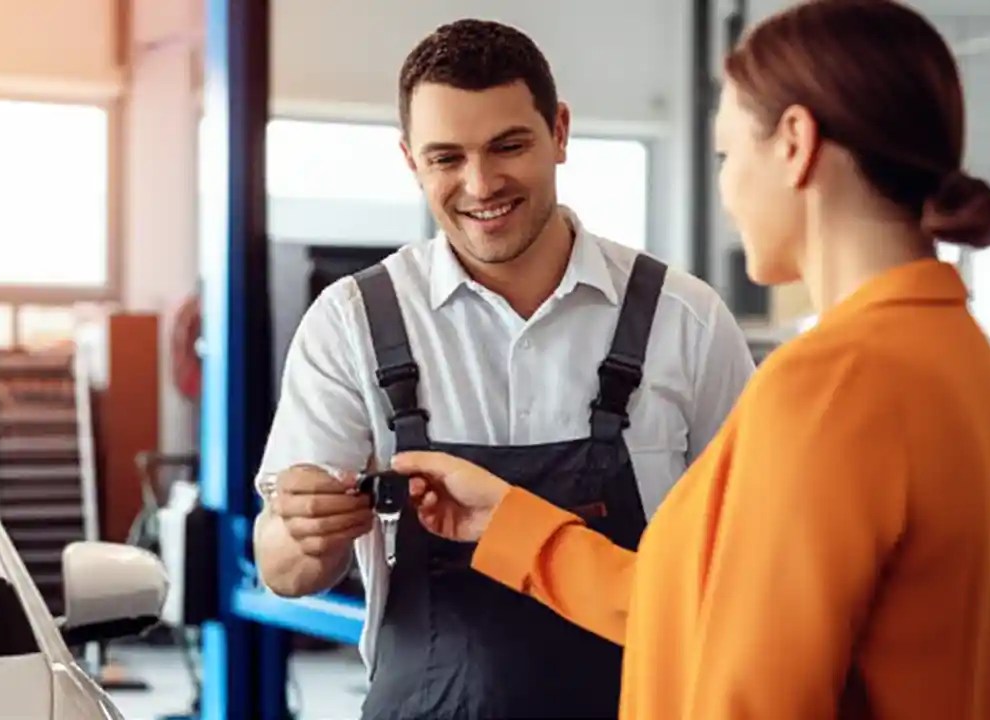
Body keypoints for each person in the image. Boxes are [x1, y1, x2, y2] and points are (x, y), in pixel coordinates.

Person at [392, 1, 990, 719]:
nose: (726, 192)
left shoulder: (832, 385)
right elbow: (709, 613)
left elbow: (746, 693)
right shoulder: (965, 364)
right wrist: (509, 523)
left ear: (794, 142)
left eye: (729, 155)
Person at [250, 18, 756, 720]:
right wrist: (302, 530)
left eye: (508, 145)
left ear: (561, 132)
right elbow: (284, 569)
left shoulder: (687, 322)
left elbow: (748, 569)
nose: (480, 183)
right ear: (409, 160)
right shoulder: (351, 324)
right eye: (445, 158)